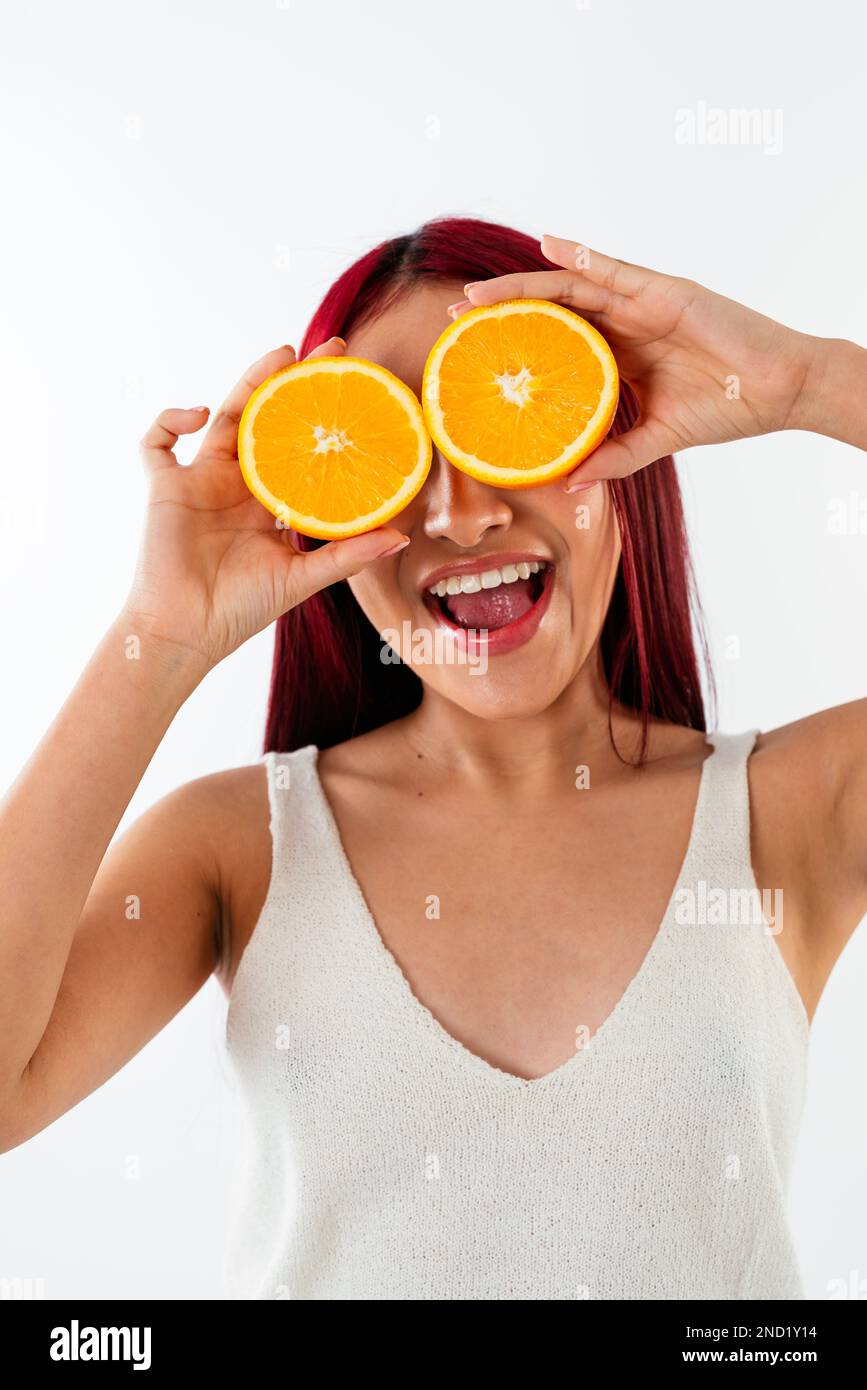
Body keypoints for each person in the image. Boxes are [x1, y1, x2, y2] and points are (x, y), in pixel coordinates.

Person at [1, 217, 865, 1300]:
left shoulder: (802, 807)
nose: (461, 514)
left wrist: (807, 382)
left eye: (510, 417)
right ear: (323, 507)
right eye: (398, 448)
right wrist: (160, 635)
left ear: (618, 435)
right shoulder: (238, 846)